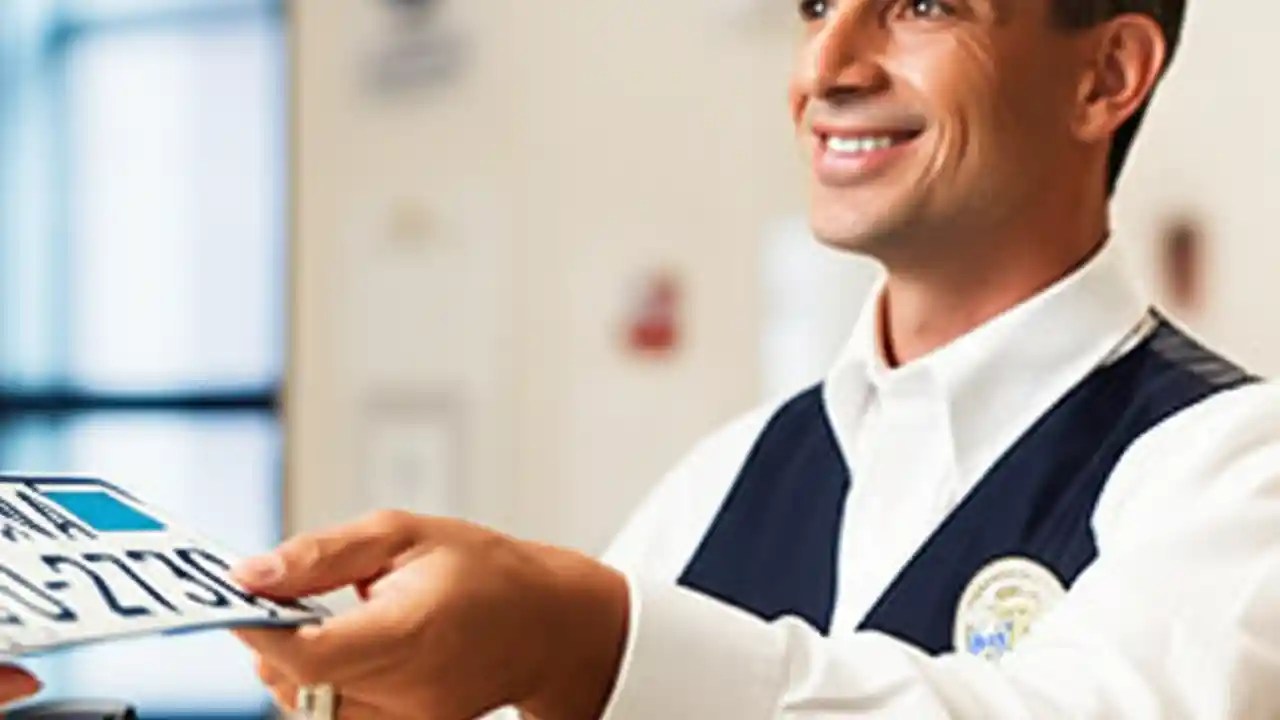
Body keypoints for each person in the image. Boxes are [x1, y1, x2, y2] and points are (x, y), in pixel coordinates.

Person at [8, 0, 1280, 717]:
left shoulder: (1231, 471)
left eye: (919, 6)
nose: (825, 66)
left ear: (1104, 73)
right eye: (813, 5)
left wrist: (586, 645)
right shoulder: (727, 474)